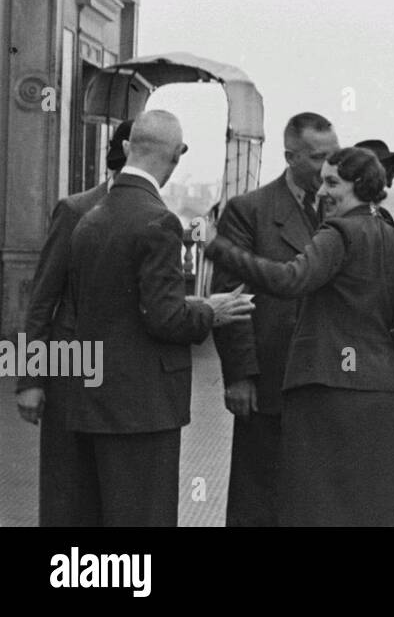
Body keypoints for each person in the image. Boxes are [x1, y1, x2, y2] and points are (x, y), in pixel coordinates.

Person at [207, 147, 394, 526]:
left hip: (323, 393)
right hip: (380, 397)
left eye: (332, 182)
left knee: (315, 506)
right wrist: (370, 344)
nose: (322, 192)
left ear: (359, 185)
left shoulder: (338, 233)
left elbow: (289, 280)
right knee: (368, 509)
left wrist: (220, 249)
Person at [64, 110, 254, 526]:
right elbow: (164, 318)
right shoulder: (158, 220)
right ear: (175, 156)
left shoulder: (89, 217)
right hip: (143, 406)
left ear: (129, 148)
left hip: (93, 398)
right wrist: (210, 310)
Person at [210, 111, 339, 526]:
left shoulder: (341, 212)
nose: (329, 167)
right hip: (269, 378)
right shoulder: (250, 210)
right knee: (259, 498)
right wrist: (240, 375)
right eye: (319, 157)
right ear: (290, 156)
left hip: (323, 380)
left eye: (334, 155)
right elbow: (233, 299)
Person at [14, 119, 132, 526]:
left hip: (123, 390)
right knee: (68, 497)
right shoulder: (76, 209)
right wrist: (30, 381)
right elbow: (42, 299)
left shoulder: (153, 214)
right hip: (71, 378)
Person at [354, 137, 394, 509]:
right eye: (386, 171)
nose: (391, 180)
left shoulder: (386, 221)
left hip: (390, 367)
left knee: (387, 472)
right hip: (370, 365)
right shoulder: (340, 226)